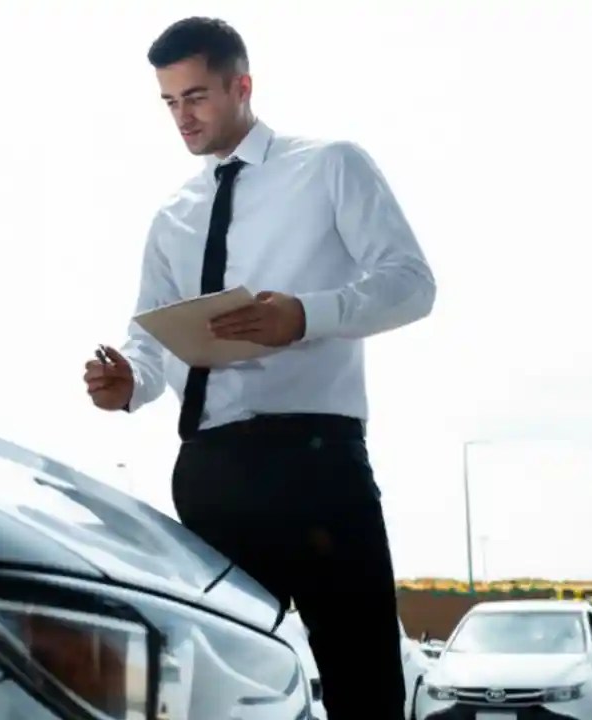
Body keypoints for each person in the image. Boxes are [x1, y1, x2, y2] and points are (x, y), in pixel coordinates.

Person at [82, 16, 435, 718]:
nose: (183, 117)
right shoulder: (173, 216)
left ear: (241, 86)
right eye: (170, 102)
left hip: (316, 465)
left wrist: (304, 315)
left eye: (196, 96)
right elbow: (149, 335)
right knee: (217, 694)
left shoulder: (330, 166)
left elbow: (410, 283)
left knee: (363, 684)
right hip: (210, 473)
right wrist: (130, 383)